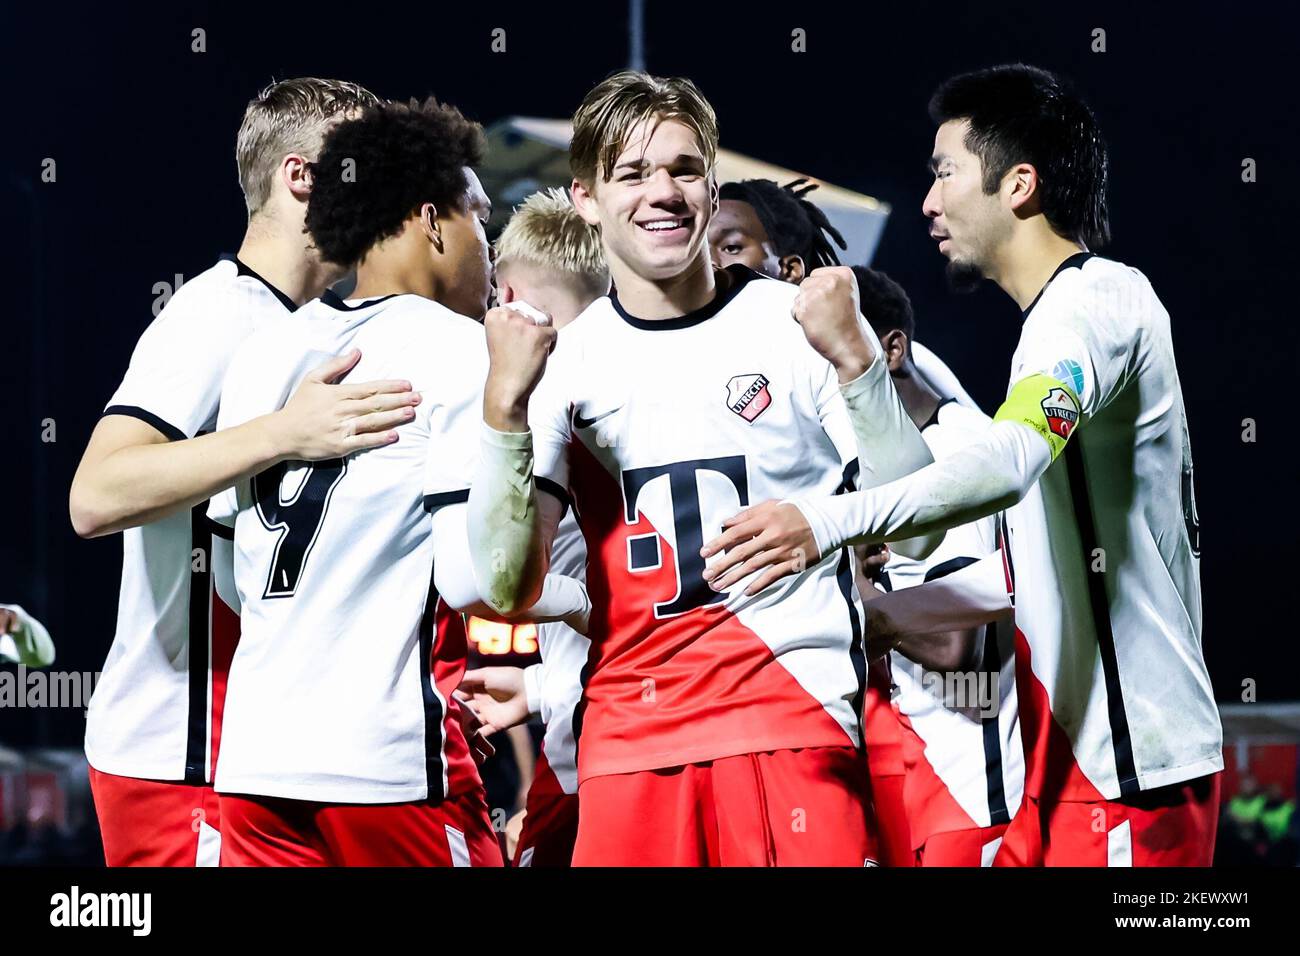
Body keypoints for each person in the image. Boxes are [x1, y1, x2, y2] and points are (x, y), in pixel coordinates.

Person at [703, 64, 1222, 866]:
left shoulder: (1093, 302)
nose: (929, 202)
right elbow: (999, 564)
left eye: (945, 173)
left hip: (1127, 771)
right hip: (1065, 763)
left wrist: (822, 523)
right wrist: (875, 615)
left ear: (1018, 185)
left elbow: (1010, 461)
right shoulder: (1052, 325)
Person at [466, 71, 940, 867]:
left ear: (712, 185)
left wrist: (859, 360)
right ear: (585, 198)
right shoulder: (563, 364)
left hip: (790, 724)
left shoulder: (792, 325)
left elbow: (924, 527)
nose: (663, 193)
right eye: (632, 173)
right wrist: (504, 415)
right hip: (628, 743)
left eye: (684, 170)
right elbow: (506, 585)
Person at [207, 97, 588, 867]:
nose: (486, 243)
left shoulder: (264, 353)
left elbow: (228, 580)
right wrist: (588, 601)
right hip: (386, 768)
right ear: (433, 221)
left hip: (253, 764)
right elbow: (483, 581)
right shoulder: (458, 350)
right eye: (480, 217)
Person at [68, 77, 418, 867]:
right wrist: (280, 433)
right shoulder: (216, 312)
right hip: (181, 754)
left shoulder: (302, 326)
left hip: (257, 747)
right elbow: (94, 495)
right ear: (302, 177)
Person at [851, 265, 1023, 867]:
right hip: (920, 776)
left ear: (892, 349)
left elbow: (956, 650)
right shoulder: (875, 463)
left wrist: (857, 596)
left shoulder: (958, 453)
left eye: (839, 356)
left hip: (972, 794)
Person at [460, 187, 611, 867]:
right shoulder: (639, 369)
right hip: (640, 715)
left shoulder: (545, 393)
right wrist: (537, 688)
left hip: (595, 742)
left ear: (513, 296)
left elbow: (494, 578)